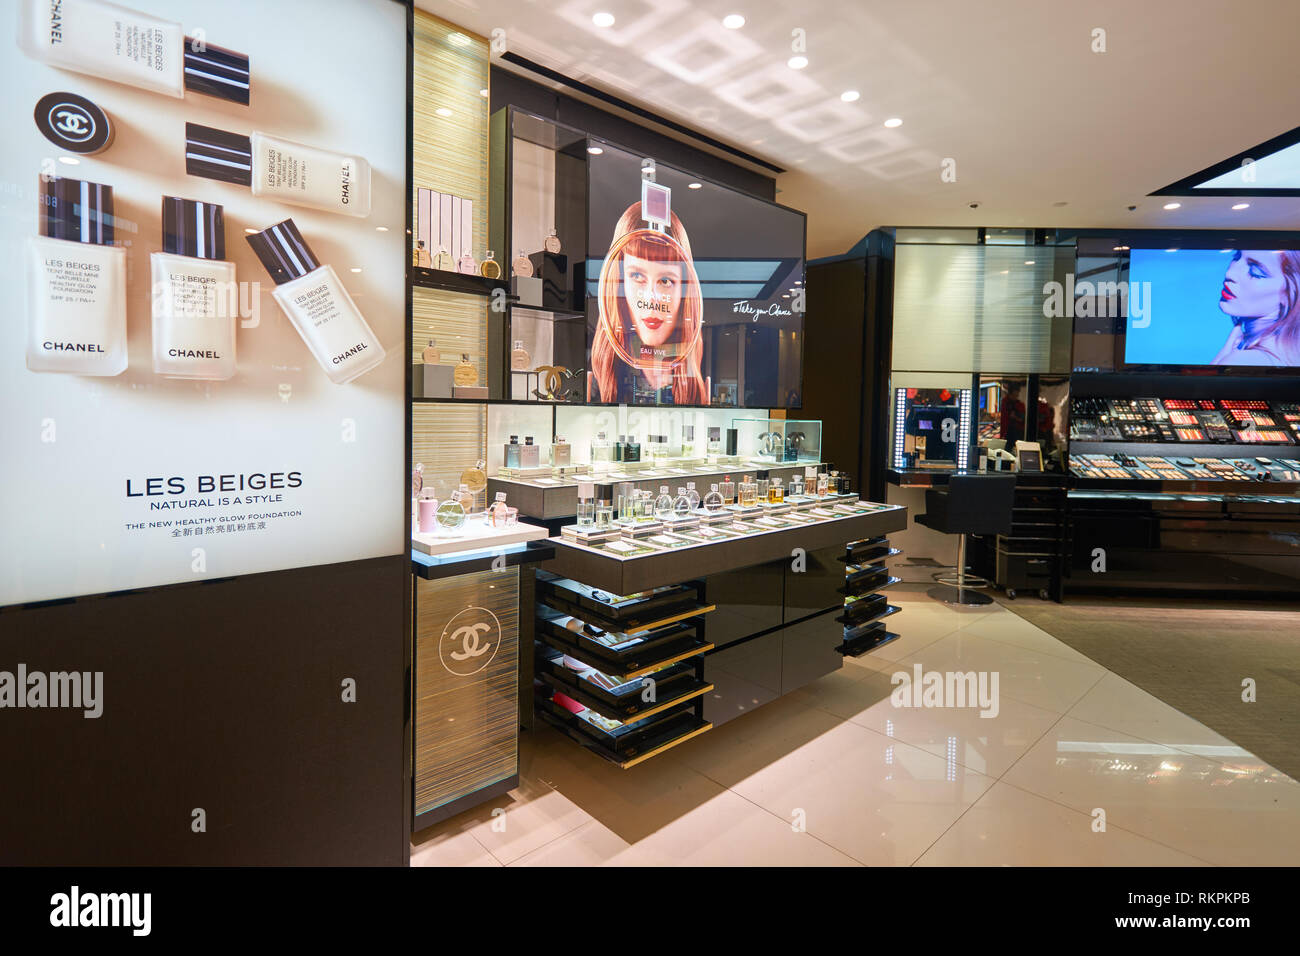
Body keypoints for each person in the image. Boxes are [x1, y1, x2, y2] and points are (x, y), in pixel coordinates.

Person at [589, 201, 708, 405]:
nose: (651, 298)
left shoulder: (694, 378)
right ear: (619, 280)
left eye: (665, 280)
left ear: (684, 290)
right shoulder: (597, 378)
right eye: (637, 276)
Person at [1212, 250, 1300, 366]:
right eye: (1237, 257)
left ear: (1289, 293)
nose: (1230, 273)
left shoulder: (1244, 361)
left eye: (1255, 272)